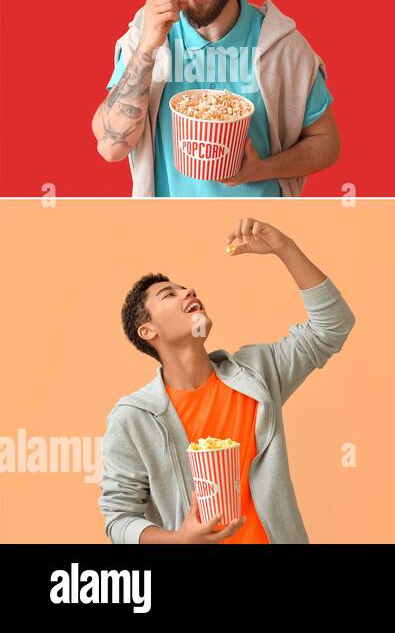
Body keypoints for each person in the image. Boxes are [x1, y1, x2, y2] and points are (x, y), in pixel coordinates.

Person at [98, 218, 356, 543]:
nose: (188, 290)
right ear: (149, 331)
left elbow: (333, 326)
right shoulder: (133, 418)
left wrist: (284, 248)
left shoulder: (257, 373)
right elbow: (119, 519)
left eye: (185, 287)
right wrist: (180, 540)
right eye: (169, 294)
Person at [91, 0, 339, 197]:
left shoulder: (281, 45)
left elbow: (327, 142)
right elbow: (112, 147)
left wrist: (264, 168)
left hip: (258, 229)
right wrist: (147, 49)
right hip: (171, 231)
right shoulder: (146, 37)